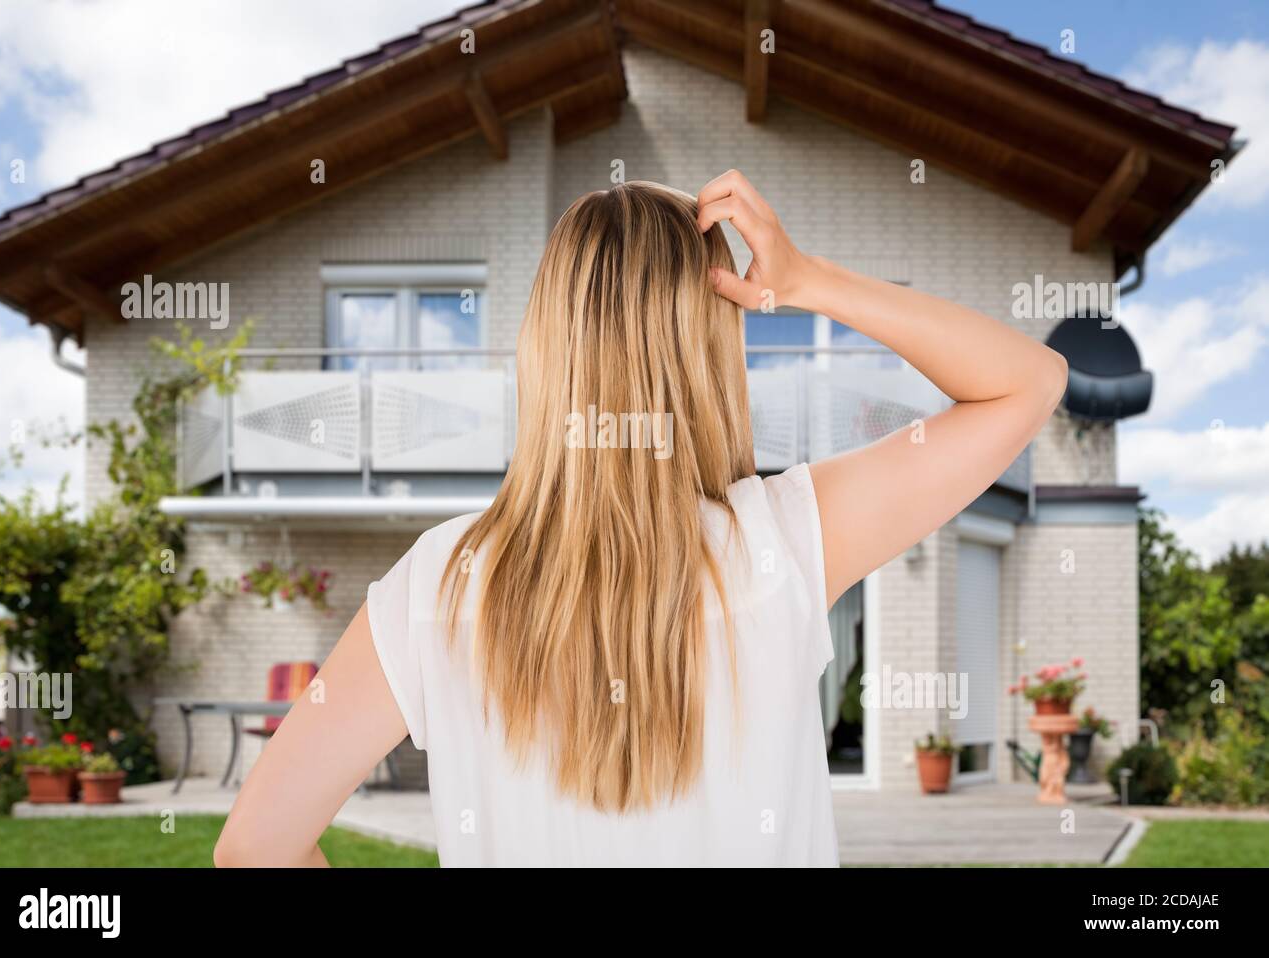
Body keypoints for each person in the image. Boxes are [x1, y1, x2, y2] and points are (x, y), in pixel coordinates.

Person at [214, 171, 1067, 867]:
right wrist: (807, 282)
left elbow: (255, 848)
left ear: (548, 346)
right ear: (710, 347)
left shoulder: (436, 583)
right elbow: (1028, 383)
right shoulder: (784, 541)